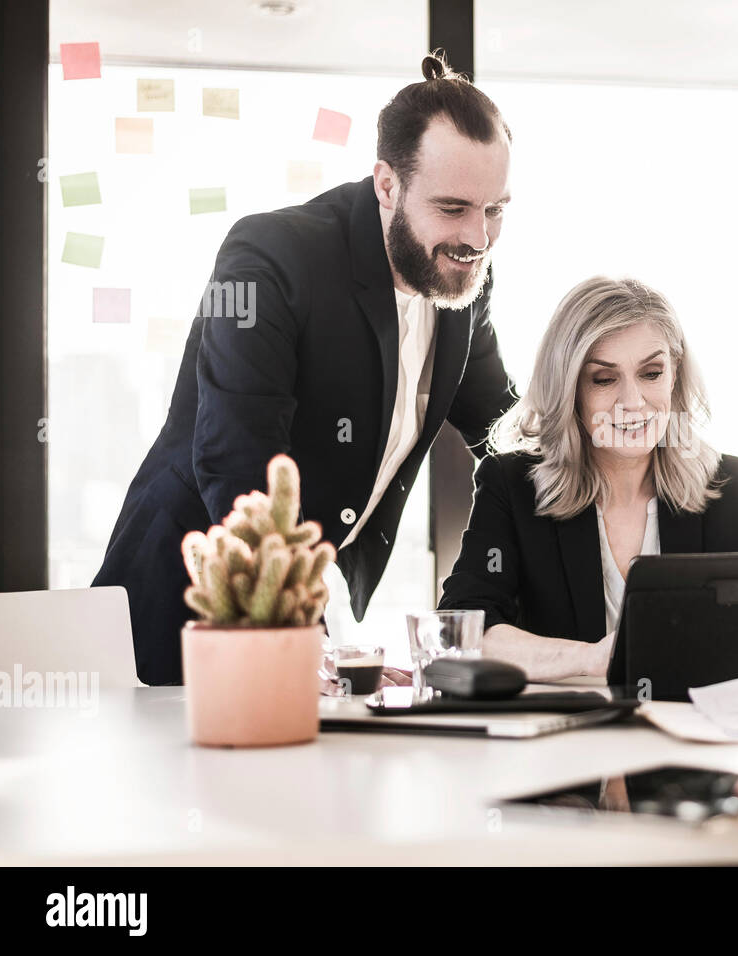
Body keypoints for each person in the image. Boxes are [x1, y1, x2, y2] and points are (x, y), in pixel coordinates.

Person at [93, 53, 518, 685]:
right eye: (454, 208)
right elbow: (240, 458)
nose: (478, 238)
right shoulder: (270, 256)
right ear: (386, 185)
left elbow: (504, 428)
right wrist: (300, 641)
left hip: (298, 606)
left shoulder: (462, 280)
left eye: (496, 210)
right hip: (183, 600)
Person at [437, 276, 738, 681]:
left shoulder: (736, 486)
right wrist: (592, 658)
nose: (632, 402)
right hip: (566, 735)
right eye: (604, 379)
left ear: (675, 377)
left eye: (652, 373)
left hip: (698, 731)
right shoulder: (513, 485)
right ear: (570, 389)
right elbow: (460, 632)